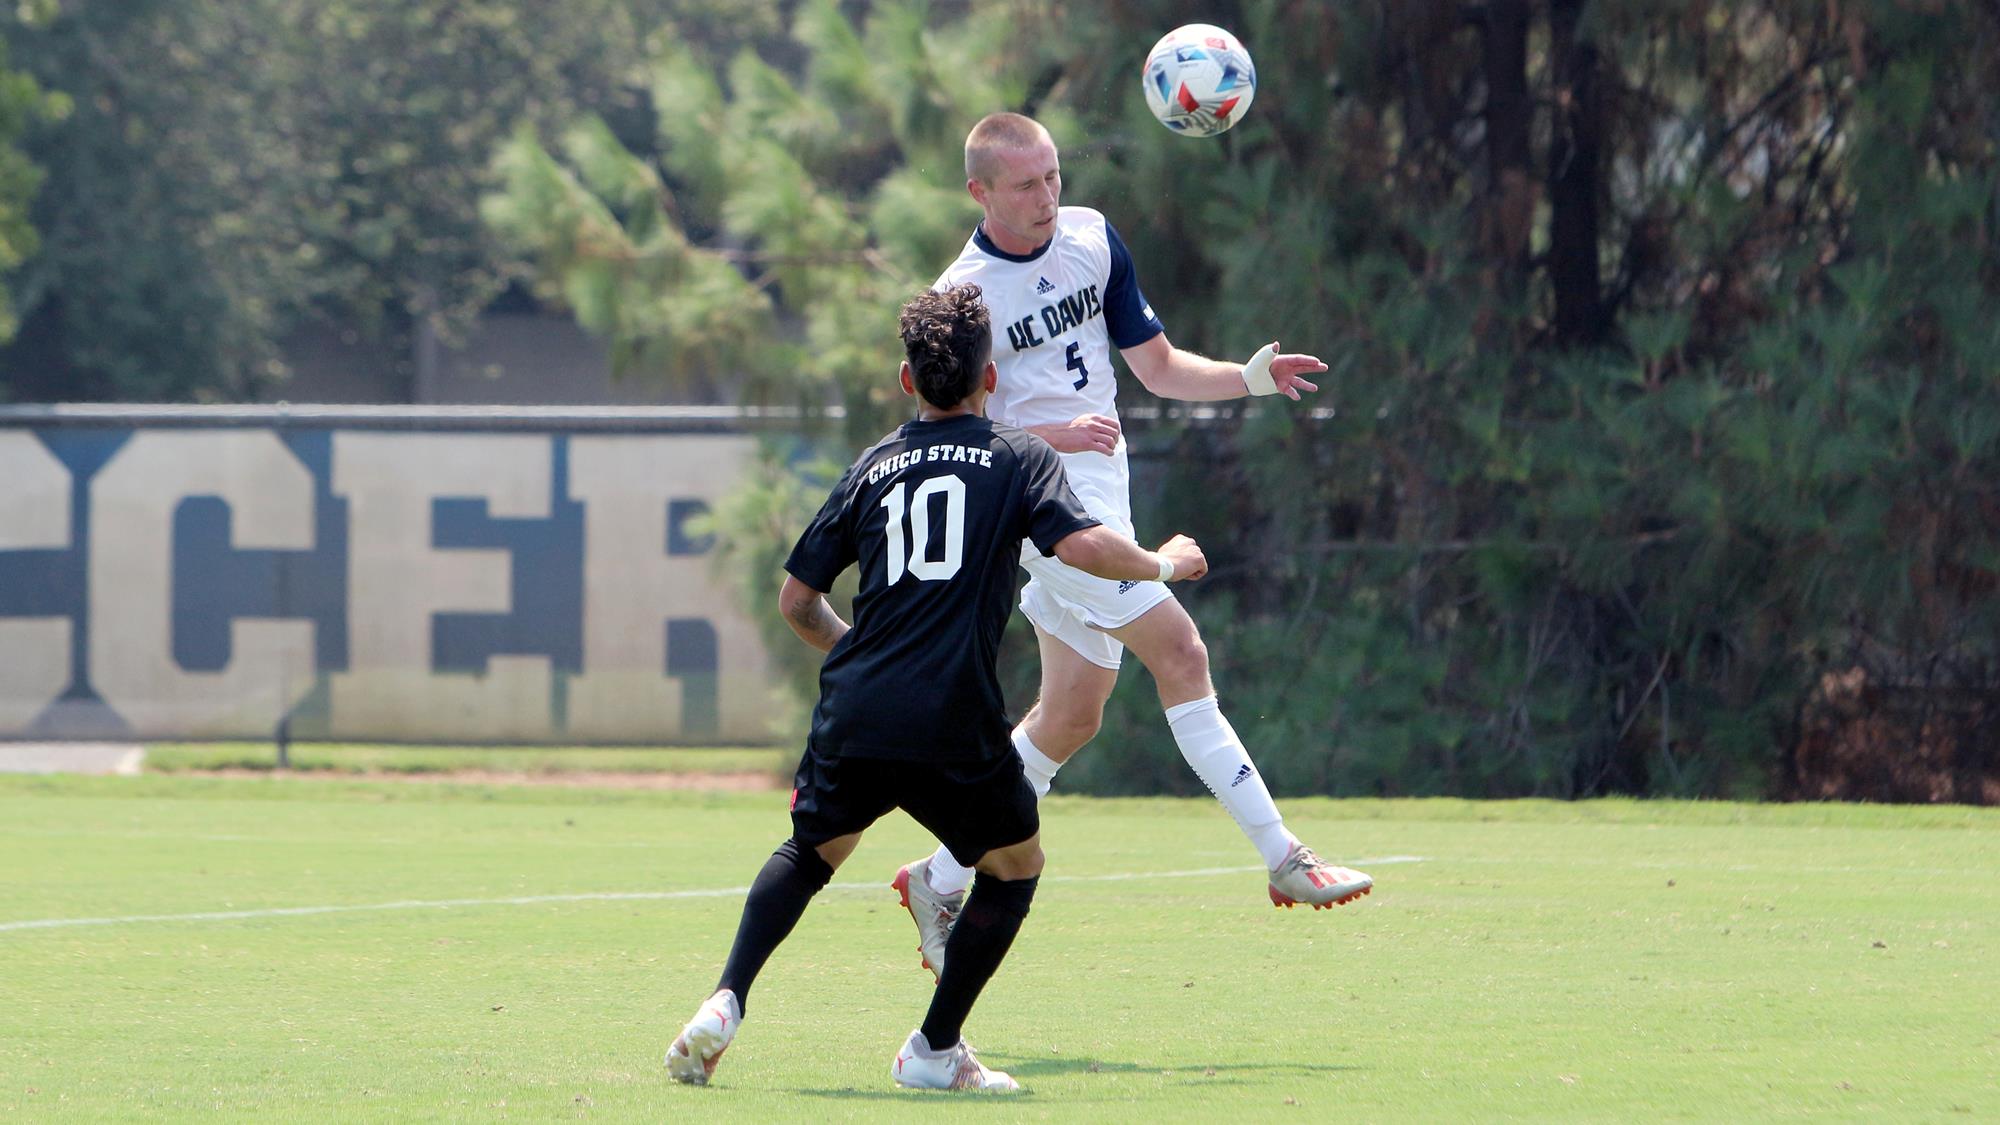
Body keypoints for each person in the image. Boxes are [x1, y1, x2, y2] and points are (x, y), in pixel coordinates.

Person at [665, 283, 1209, 1092]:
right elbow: (1087, 548)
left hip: (856, 708)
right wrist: (1165, 561)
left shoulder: (873, 464)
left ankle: (723, 1001)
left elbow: (796, 602)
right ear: (991, 380)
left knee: (810, 853)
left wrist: (867, 662)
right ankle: (932, 1049)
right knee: (1016, 864)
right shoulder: (1018, 455)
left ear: (905, 380)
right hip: (950, 718)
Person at [892, 112, 1372, 980]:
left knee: (1072, 714)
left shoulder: (1091, 238)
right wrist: (1052, 433)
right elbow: (954, 425)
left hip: (1103, 498)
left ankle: (939, 874)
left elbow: (1154, 365)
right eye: (1025, 184)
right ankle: (1284, 856)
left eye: (1052, 176)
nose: (1047, 196)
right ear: (980, 193)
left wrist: (1249, 378)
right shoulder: (963, 295)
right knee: (1180, 650)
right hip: (1047, 518)